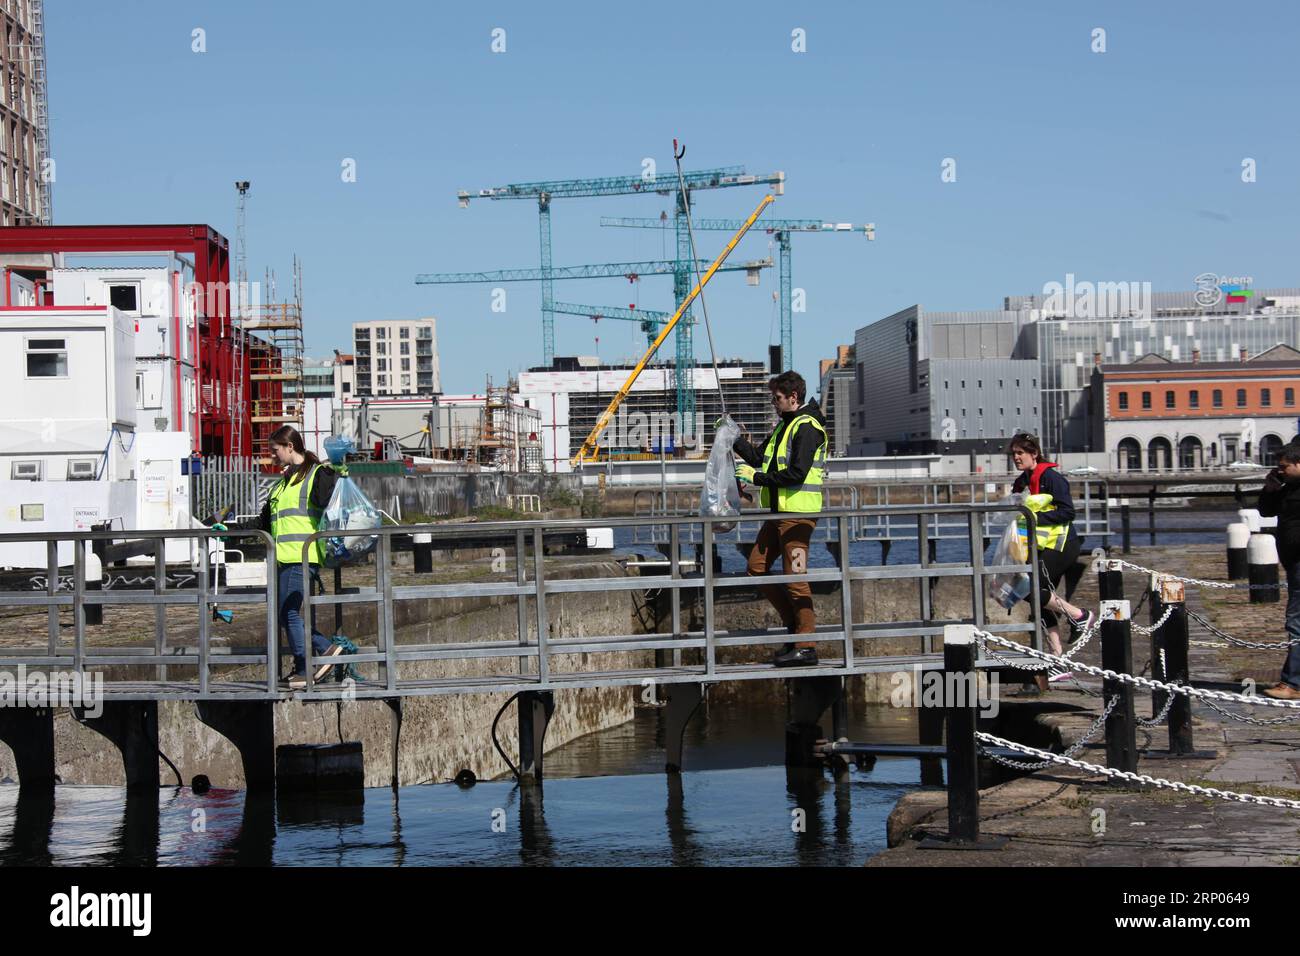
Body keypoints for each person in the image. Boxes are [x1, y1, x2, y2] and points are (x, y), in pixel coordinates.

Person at [732, 371, 829, 667]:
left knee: (796, 578)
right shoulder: (784, 427)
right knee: (756, 568)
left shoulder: (808, 427)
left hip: (798, 516)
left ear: (793, 397)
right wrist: (733, 437)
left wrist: (756, 478)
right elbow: (759, 458)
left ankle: (807, 644)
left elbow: (797, 472)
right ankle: (795, 631)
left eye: (777, 398)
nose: (774, 403)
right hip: (777, 515)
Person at [258, 425, 345, 688]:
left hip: (303, 557)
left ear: (289, 447)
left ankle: (311, 662)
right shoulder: (282, 485)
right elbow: (263, 522)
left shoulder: (317, 474)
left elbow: (326, 496)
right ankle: (313, 658)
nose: (272, 456)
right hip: (285, 559)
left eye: (275, 451)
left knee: (290, 613)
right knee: (287, 614)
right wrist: (227, 530)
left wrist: (336, 470)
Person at [1007, 432, 1095, 690]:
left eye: (1020, 454)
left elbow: (1068, 511)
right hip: (1041, 547)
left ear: (1034, 453)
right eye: (1013, 455)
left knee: (1030, 589)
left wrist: (1034, 520)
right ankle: (1058, 662)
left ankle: (1080, 615)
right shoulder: (1022, 481)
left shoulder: (1052, 478)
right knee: (1039, 602)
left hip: (1063, 545)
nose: (1016, 458)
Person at [1258, 442, 1300, 700]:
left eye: (1284, 467)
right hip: (1293, 561)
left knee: (1297, 622)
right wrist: (1272, 487)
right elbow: (1265, 510)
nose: (1280, 470)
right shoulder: (1288, 488)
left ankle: (1293, 683)